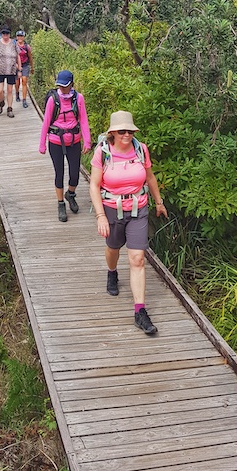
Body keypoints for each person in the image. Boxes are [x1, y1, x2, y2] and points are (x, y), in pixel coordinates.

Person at [89, 110, 168, 335]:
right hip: (112, 210)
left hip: (138, 208)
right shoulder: (102, 152)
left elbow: (150, 177)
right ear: (112, 132)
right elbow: (94, 185)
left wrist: (159, 202)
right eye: (122, 131)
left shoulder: (141, 149)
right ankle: (112, 271)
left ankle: (140, 312)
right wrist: (100, 216)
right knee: (113, 247)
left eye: (130, 130)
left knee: (138, 258)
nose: (127, 134)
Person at [39, 70, 91, 222]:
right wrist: (42, 143)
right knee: (59, 173)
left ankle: (71, 194)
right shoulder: (53, 100)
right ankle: (61, 203)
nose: (62, 88)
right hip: (56, 141)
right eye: (60, 86)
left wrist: (87, 141)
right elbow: (46, 122)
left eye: (65, 86)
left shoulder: (78, 98)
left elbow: (84, 120)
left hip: (74, 141)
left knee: (75, 174)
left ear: (71, 84)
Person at [0, 26, 22, 118]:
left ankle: (10, 108)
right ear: (1, 34)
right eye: (3, 33)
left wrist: (19, 69)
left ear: (9, 34)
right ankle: (1, 102)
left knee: (10, 90)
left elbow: (18, 56)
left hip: (11, 70)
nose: (5, 35)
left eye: (7, 33)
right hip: (0, 70)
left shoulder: (14, 43)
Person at [15, 30, 34, 107]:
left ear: (24, 37)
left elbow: (30, 57)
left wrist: (32, 67)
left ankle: (24, 100)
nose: (20, 38)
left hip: (25, 65)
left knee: (24, 80)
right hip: (15, 65)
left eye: (21, 36)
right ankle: (17, 93)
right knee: (17, 82)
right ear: (16, 37)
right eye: (18, 36)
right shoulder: (14, 46)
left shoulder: (27, 47)